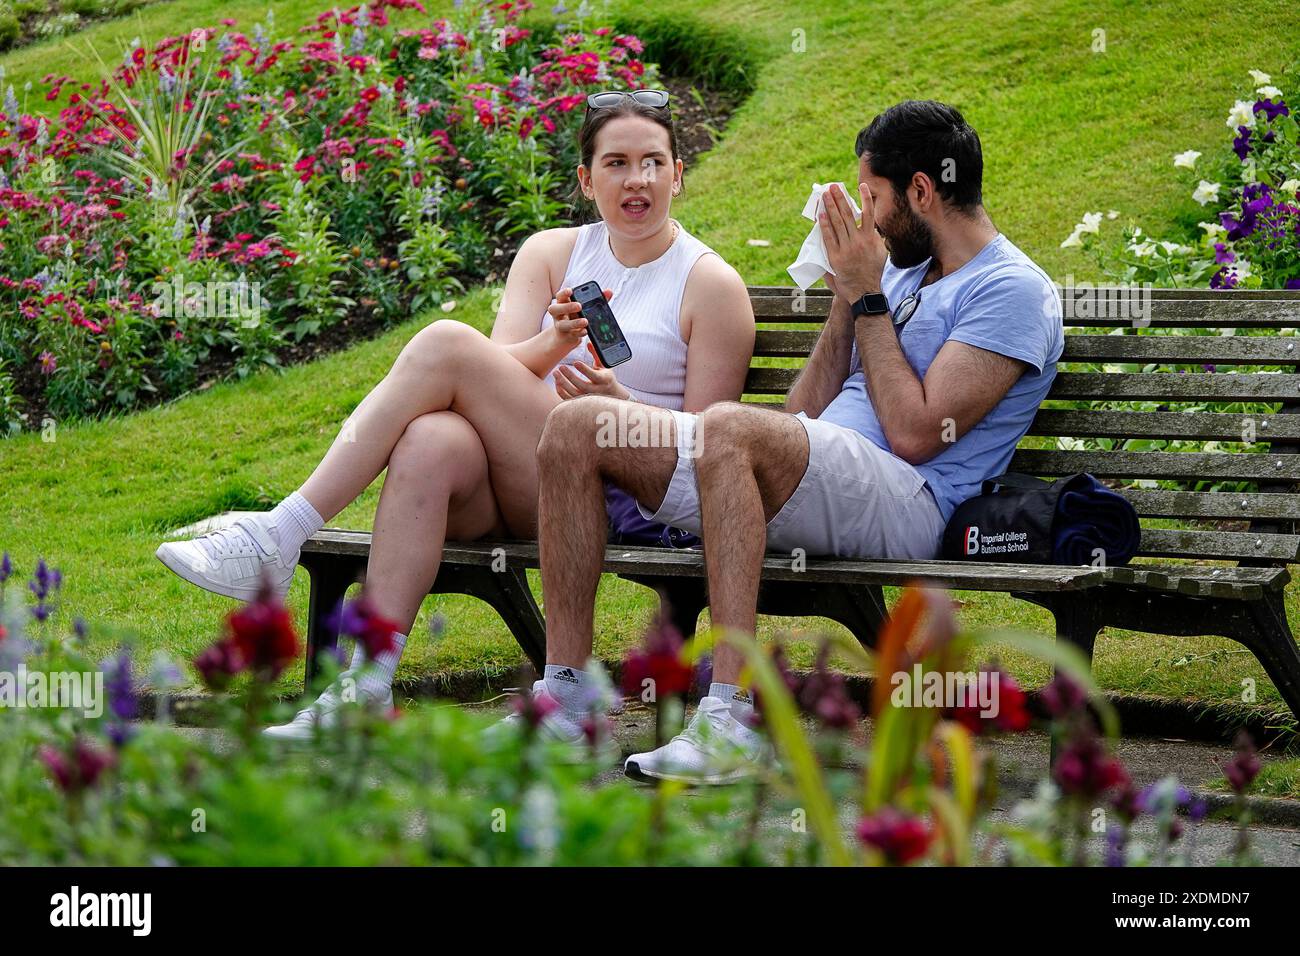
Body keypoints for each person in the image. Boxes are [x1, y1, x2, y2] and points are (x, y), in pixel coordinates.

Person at [155, 89, 755, 740]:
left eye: (653, 162)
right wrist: (552, 344)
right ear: (586, 180)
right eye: (616, 163)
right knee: (432, 439)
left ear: (677, 173)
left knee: (445, 343)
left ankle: (281, 533)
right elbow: (487, 373)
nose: (637, 179)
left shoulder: (710, 284)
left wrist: (624, 408)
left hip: (626, 494)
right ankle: (366, 686)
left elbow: (708, 454)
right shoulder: (551, 253)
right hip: (530, 480)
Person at [529, 100, 1065, 784]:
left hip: (912, 499)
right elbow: (800, 417)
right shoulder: (898, 271)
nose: (867, 217)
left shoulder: (1010, 290)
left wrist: (869, 298)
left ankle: (729, 721)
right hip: (822, 479)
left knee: (728, 426)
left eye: (873, 198)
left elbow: (916, 434)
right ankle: (567, 700)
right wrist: (848, 296)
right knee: (577, 425)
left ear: (921, 191)